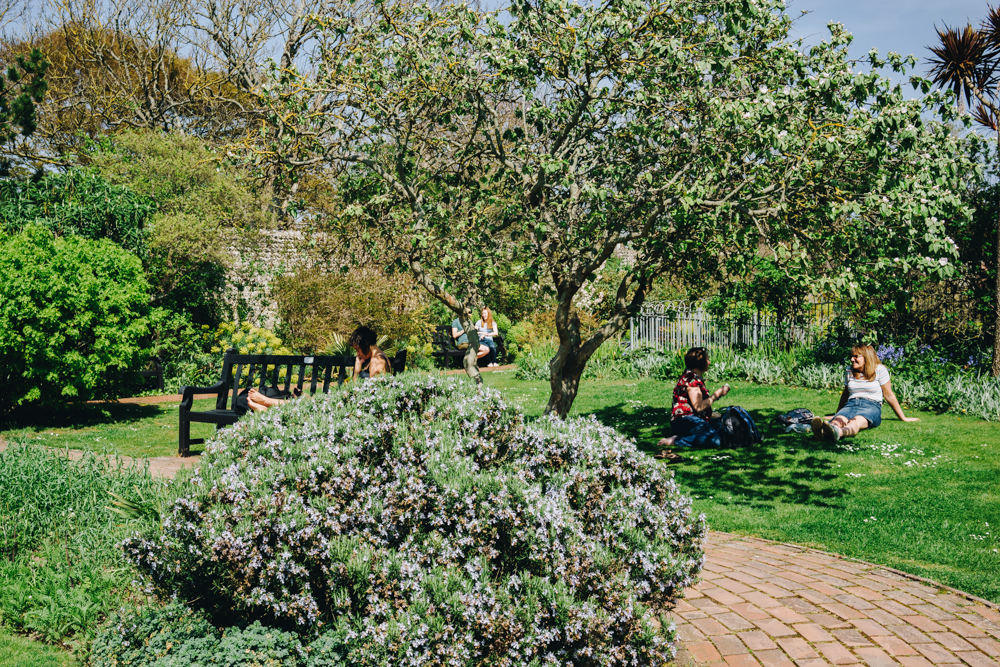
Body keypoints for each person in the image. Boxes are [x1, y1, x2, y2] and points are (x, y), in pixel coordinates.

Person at [812, 344, 918, 441]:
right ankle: (822, 433)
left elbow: (889, 394)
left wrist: (902, 418)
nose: (852, 359)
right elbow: (845, 394)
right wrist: (837, 413)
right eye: (851, 356)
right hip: (851, 405)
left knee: (855, 421)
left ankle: (837, 432)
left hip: (871, 406)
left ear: (866, 357)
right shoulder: (849, 371)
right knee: (837, 421)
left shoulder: (880, 370)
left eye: (856, 356)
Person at [656, 347, 732, 458]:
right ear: (700, 362)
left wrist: (716, 416)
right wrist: (718, 394)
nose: (709, 362)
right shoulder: (691, 379)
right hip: (684, 420)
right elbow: (699, 407)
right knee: (714, 440)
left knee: (725, 427)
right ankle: (676, 440)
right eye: (707, 359)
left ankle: (690, 435)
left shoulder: (694, 376)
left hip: (696, 418)